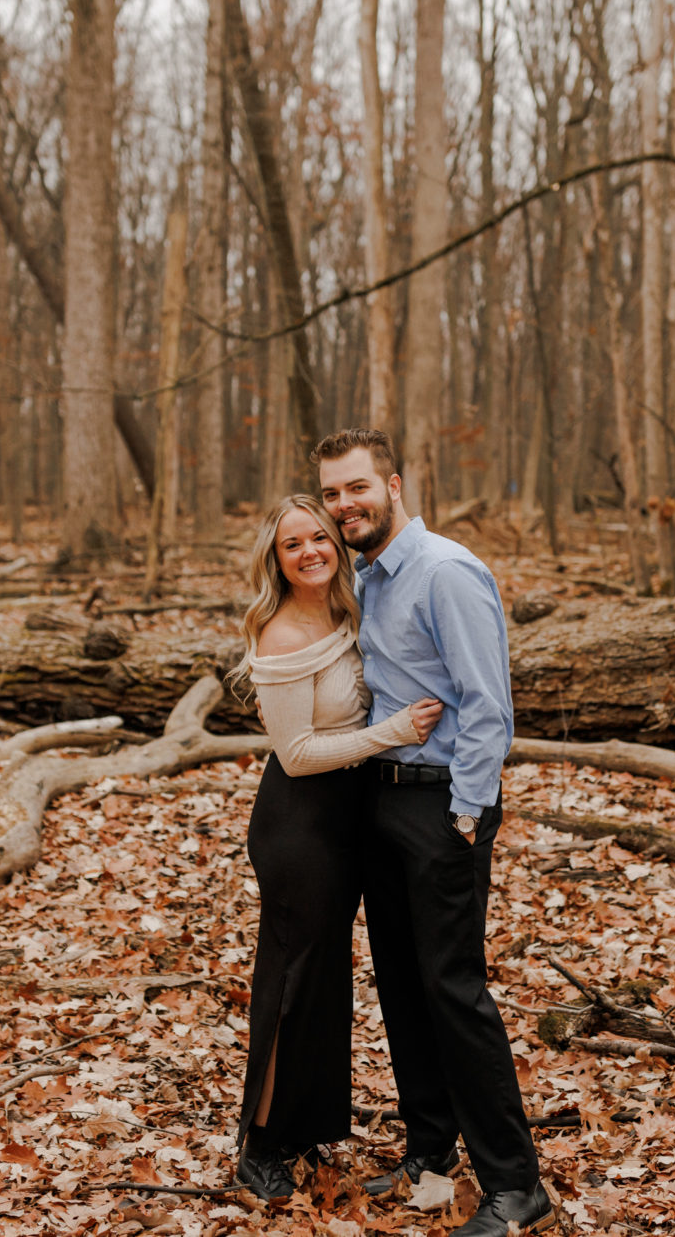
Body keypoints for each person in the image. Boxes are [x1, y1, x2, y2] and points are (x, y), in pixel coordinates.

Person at [313, 427, 553, 1237]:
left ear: (394, 484)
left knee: (453, 991)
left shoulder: (446, 571)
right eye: (333, 493)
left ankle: (517, 1186)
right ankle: (430, 1154)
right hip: (383, 801)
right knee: (403, 985)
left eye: (358, 487)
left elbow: (490, 704)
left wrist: (466, 811)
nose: (346, 505)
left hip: (443, 806)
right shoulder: (372, 575)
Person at [228, 494, 445, 1201]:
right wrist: (394, 734)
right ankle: (260, 1143)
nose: (310, 551)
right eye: (293, 544)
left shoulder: (350, 609)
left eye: (318, 537)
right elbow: (295, 753)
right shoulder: (282, 633)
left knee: (327, 980)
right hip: (300, 821)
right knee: (293, 977)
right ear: (277, 559)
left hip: (349, 815)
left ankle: (306, 1125)